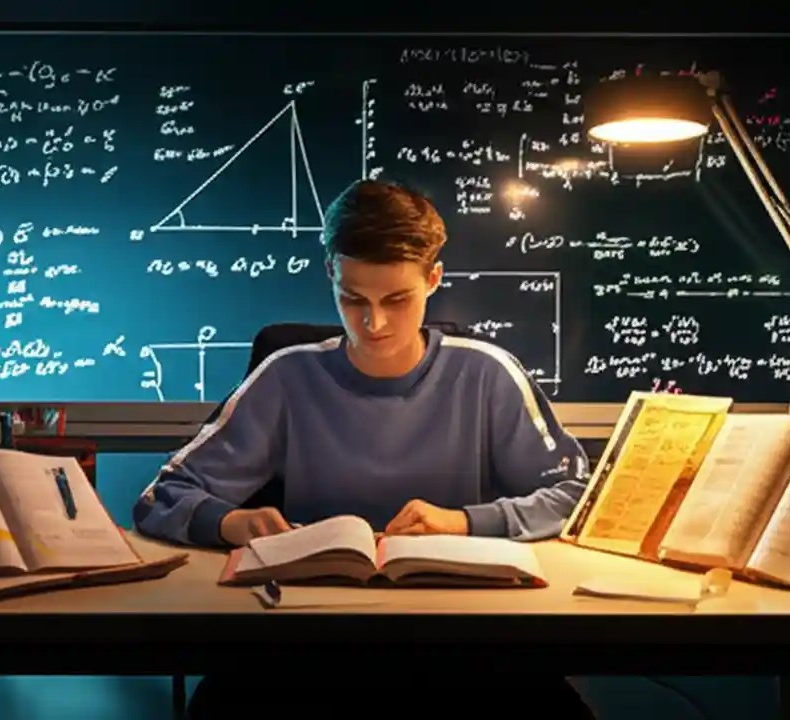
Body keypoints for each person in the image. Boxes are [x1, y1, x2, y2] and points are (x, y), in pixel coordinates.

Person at [133, 179, 595, 718]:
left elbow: (576, 494)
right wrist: (231, 523)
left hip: (462, 641)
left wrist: (466, 522)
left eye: (397, 299)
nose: (374, 323)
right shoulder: (287, 376)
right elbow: (162, 497)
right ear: (331, 274)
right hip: (307, 647)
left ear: (433, 279)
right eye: (353, 299)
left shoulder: (487, 374)